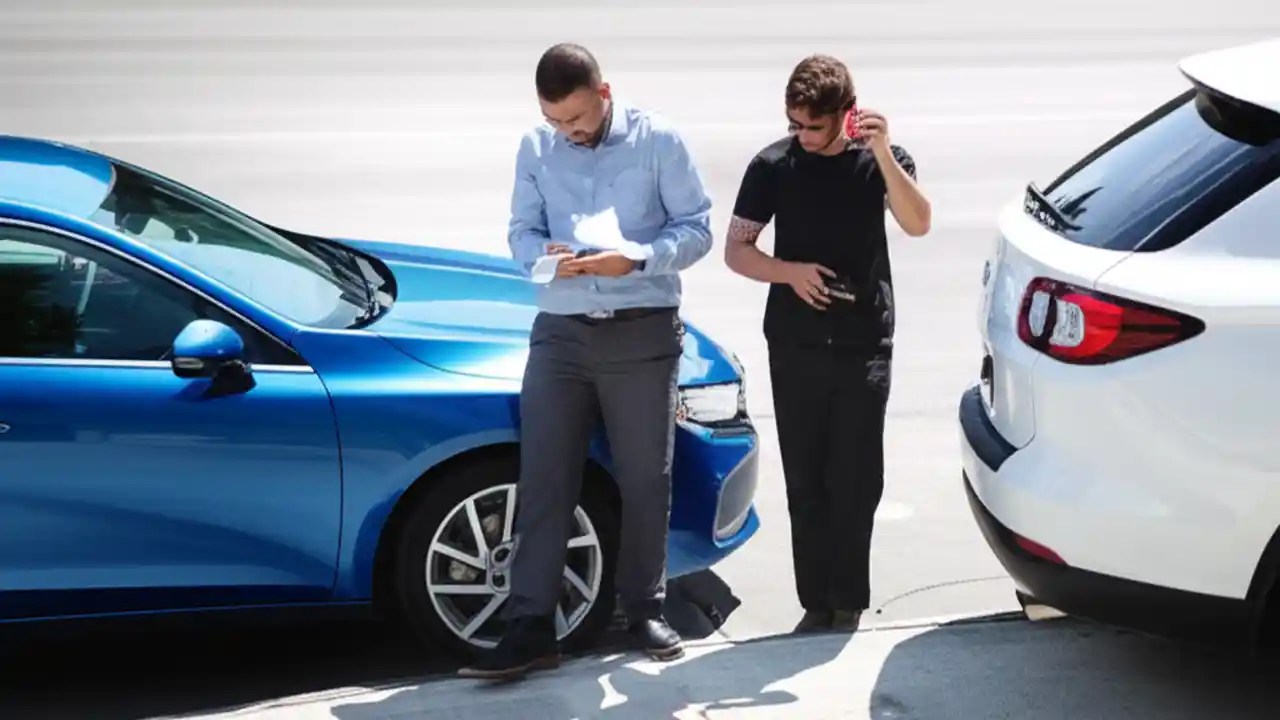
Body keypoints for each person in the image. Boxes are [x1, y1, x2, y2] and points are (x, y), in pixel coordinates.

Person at [458, 42, 714, 681]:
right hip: (561, 333)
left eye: (575, 120)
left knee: (644, 476)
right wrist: (543, 254)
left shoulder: (659, 141)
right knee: (543, 476)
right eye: (555, 122)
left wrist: (638, 259)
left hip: (640, 329)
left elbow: (698, 228)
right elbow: (519, 231)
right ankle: (529, 625)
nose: (566, 133)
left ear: (604, 94)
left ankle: (645, 609)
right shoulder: (535, 148)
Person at [723, 54, 931, 633]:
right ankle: (816, 601)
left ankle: (849, 598)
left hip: (865, 339)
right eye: (794, 124)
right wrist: (788, 272)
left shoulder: (881, 163)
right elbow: (736, 251)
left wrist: (885, 153)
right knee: (806, 475)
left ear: (848, 114)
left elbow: (918, 223)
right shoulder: (772, 166)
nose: (802, 136)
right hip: (796, 344)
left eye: (814, 126)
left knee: (858, 476)